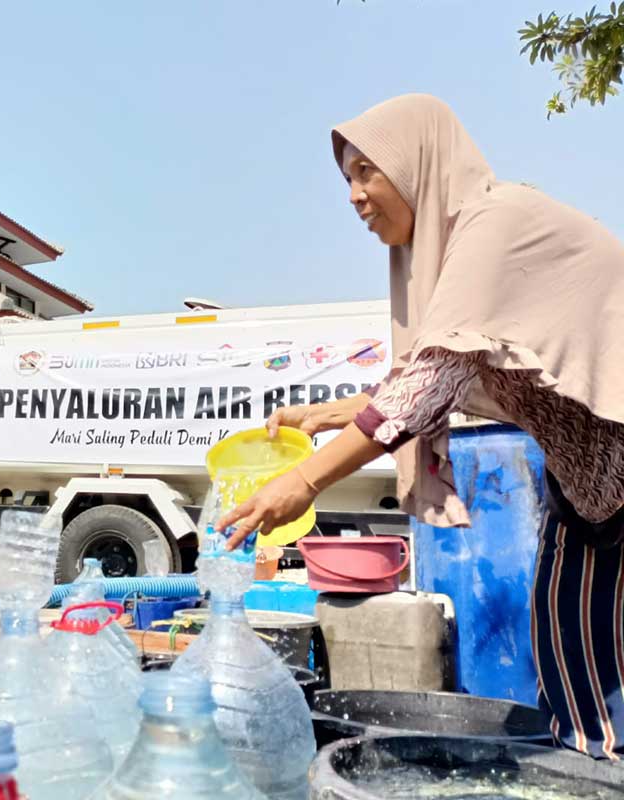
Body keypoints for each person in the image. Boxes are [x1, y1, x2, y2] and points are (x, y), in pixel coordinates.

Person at [220, 94, 624, 759]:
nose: (354, 196)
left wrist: (303, 481)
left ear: (415, 165)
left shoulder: (496, 222)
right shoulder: (460, 256)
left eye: (365, 172)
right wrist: (314, 418)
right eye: (346, 179)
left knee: (601, 696)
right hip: (582, 488)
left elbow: (425, 387)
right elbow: (413, 380)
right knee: (571, 678)